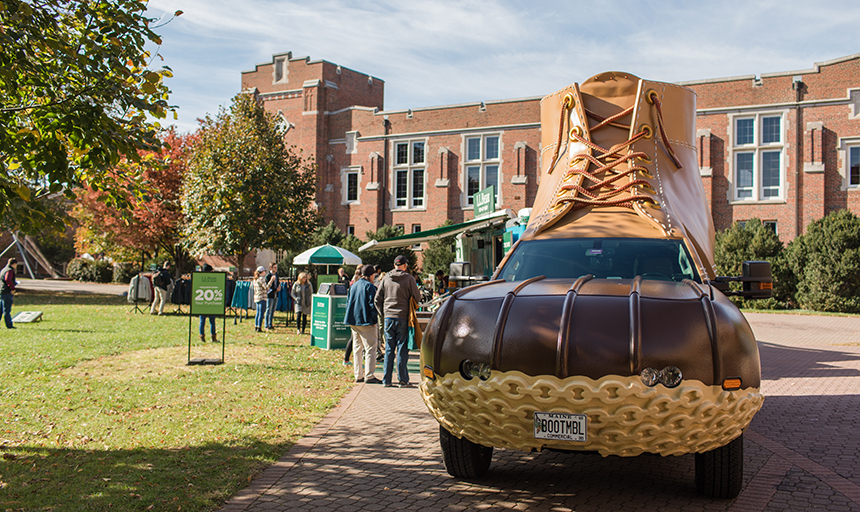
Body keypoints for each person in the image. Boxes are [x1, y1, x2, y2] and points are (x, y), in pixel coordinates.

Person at [374, 255, 420, 388]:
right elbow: (417, 297)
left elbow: (377, 298)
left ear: (394, 265)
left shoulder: (386, 278)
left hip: (388, 318)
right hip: (403, 317)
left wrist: (383, 313)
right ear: (405, 266)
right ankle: (403, 380)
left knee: (389, 349)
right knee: (402, 349)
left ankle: (386, 380)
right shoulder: (409, 279)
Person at [344, 265, 381, 384]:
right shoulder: (370, 286)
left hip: (354, 321)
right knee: (370, 348)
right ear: (371, 275)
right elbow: (372, 305)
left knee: (357, 348)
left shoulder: (353, 285)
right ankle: (369, 375)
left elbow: (348, 302)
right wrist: (374, 320)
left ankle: (358, 374)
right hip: (366, 321)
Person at [199, 264, 218, 342]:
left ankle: (202, 337)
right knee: (212, 321)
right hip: (211, 303)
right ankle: (213, 337)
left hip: (202, 302)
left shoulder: (200, 278)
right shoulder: (214, 279)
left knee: (202, 321)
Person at [1, 258, 17, 329]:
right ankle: (9, 325)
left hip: (1, 291)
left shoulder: (3, 269)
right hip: (7, 292)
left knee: (1, 309)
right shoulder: (9, 270)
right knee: (7, 310)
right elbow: (7, 279)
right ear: (14, 264)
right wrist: (12, 288)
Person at [253, 265, 269, 332]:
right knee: (261, 313)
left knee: (258, 313)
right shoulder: (262, 279)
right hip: (262, 297)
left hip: (257, 297)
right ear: (261, 272)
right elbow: (266, 287)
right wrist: (271, 281)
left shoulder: (255, 280)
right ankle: (259, 327)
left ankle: (256, 326)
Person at [264, 263, 280, 331]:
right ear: (271, 268)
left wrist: (279, 287)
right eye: (274, 268)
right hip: (270, 295)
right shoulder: (268, 276)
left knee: (273, 310)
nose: (276, 269)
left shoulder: (277, 275)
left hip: (276, 294)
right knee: (268, 309)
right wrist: (275, 289)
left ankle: (270, 324)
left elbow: (278, 282)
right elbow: (268, 287)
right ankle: (266, 324)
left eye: (276, 267)